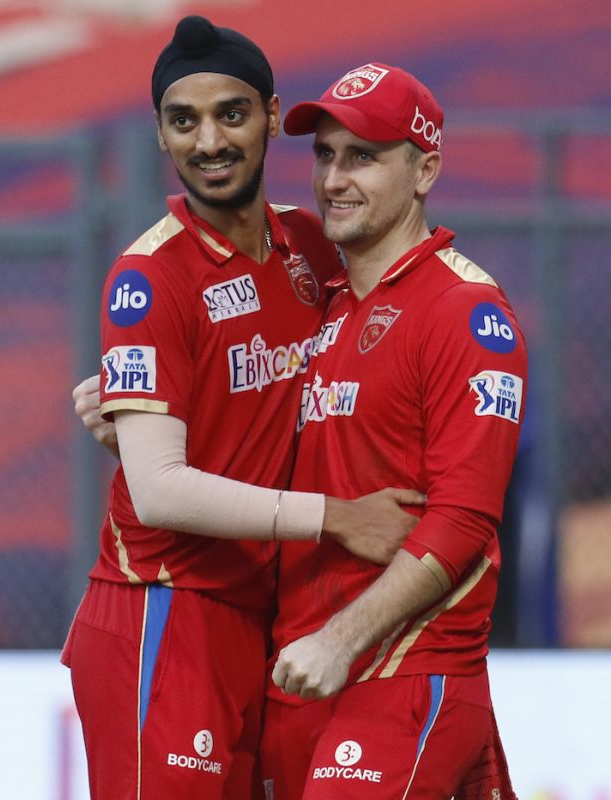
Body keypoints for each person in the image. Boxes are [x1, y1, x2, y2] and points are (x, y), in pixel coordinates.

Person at [62, 18, 422, 800]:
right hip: (166, 610)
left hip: (268, 620)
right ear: (160, 135)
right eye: (183, 121)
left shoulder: (311, 244)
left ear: (270, 114)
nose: (209, 140)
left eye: (231, 113)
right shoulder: (148, 277)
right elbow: (159, 491)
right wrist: (337, 516)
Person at [259, 64, 527, 799]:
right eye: (324, 154)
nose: (335, 179)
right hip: (303, 672)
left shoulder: (467, 313)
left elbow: (465, 518)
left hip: (403, 669)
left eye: (365, 156)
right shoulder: (322, 305)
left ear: (425, 170)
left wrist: (341, 639)